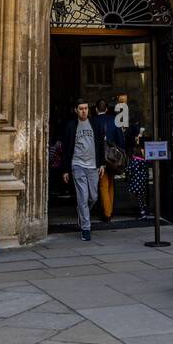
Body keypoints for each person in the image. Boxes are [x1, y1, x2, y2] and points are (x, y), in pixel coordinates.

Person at [63, 100, 106, 242]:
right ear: (76, 110)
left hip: (93, 166)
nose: (83, 111)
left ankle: (81, 212)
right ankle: (86, 228)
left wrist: (102, 164)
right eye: (81, 108)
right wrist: (66, 169)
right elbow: (66, 148)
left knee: (93, 197)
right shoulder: (71, 126)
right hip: (78, 165)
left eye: (86, 108)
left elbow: (100, 145)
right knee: (83, 197)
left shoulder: (95, 124)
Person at [93, 98, 121, 222]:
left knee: (103, 185)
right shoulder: (114, 120)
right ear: (107, 109)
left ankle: (107, 213)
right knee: (110, 184)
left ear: (96, 109)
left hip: (101, 157)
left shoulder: (93, 121)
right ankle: (110, 210)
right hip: (112, 157)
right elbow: (120, 140)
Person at [127, 127, 150, 219]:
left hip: (136, 181)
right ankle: (144, 209)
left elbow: (129, 169)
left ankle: (142, 212)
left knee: (138, 197)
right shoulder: (143, 161)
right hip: (142, 181)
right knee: (141, 196)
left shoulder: (134, 161)